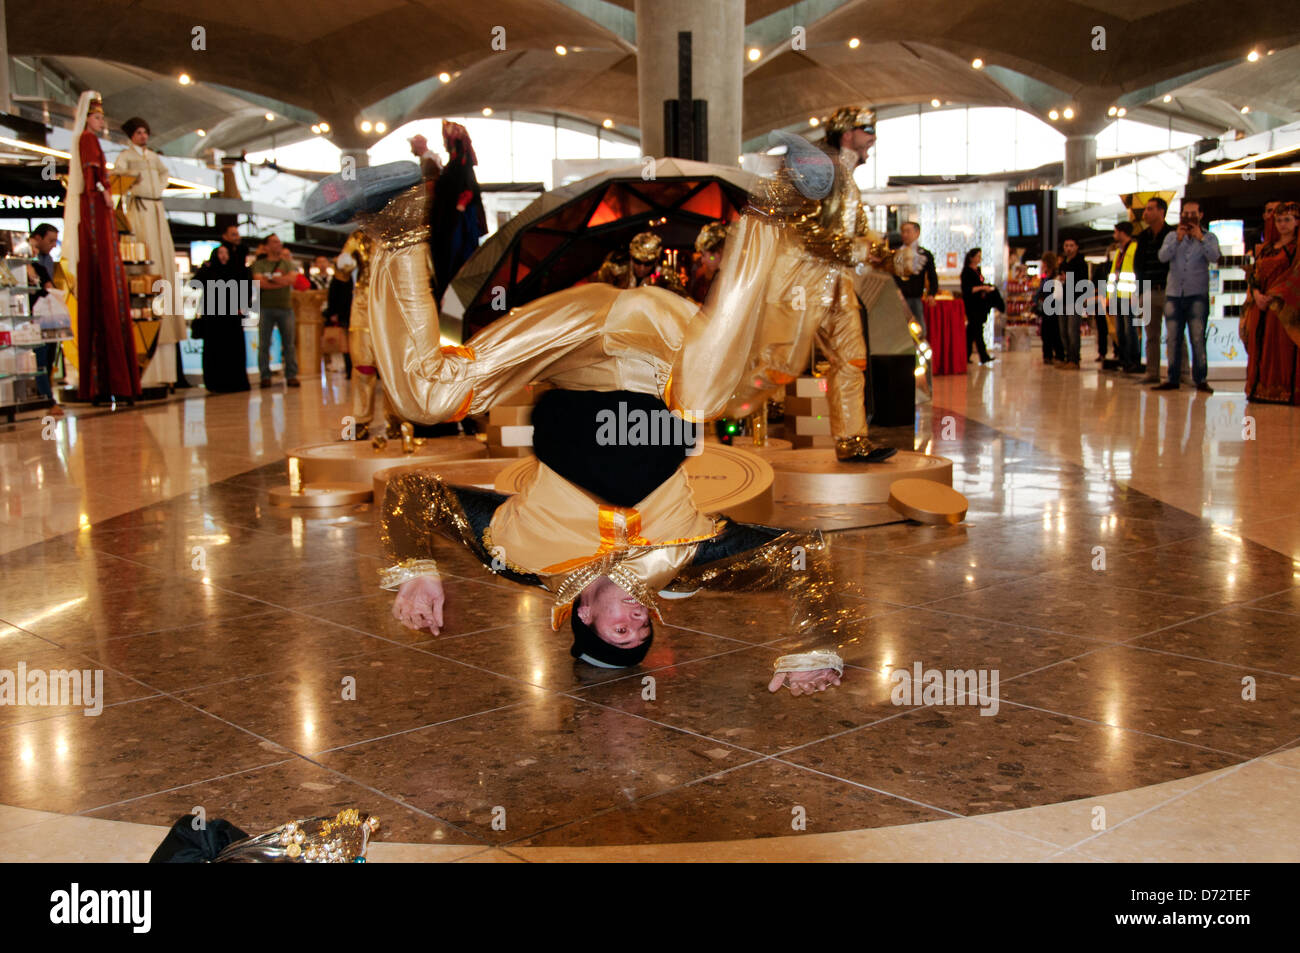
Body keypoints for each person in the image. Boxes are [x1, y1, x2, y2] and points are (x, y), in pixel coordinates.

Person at [360, 182, 850, 694]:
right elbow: (807, 555)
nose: (639, 619)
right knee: (724, 392)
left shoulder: (517, 551)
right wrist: (819, 642)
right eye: (644, 628)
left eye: (621, 629)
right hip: (666, 352)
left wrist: (412, 568)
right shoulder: (686, 561)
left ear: (584, 612)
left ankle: (397, 226)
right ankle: (768, 211)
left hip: (567, 343)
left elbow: (411, 494)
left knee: (426, 399)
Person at [63, 91, 140, 404]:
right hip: (97, 205)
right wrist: (104, 193)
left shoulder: (88, 140)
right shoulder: (87, 140)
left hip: (98, 208)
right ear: (88, 117)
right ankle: (115, 382)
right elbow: (92, 173)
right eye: (96, 117)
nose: (100, 122)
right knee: (105, 283)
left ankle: (110, 382)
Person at [114, 116, 187, 389]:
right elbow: (119, 180)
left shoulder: (153, 157)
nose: (144, 136)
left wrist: (157, 186)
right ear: (131, 135)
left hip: (155, 208)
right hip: (140, 208)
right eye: (139, 132)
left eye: (146, 132)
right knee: (145, 252)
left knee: (162, 257)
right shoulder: (125, 157)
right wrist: (134, 185)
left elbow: (165, 175)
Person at [1153, 199, 1220, 393]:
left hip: (1197, 295)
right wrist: (1178, 239)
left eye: (1193, 214)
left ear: (1200, 215)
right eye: (1186, 214)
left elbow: (1215, 257)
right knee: (1173, 338)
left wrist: (1200, 238)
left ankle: (1200, 379)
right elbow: (1162, 257)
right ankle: (1173, 378)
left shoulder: (1209, 237)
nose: (1189, 218)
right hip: (1174, 294)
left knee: (1197, 337)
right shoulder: (1172, 236)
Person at [1241, 201, 1300, 404]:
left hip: (1283, 308)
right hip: (1261, 306)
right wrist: (1256, 293)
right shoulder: (1266, 249)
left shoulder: (1296, 249)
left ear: (1296, 222)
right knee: (1260, 346)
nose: (1282, 224)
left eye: (1287, 220)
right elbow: (1255, 274)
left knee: (1281, 350)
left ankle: (1283, 391)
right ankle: (1259, 389)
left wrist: (1275, 295)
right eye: (1279, 220)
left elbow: (1295, 277)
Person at [429, 120, 487, 306]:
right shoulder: (456, 164)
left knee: (455, 261)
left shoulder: (460, 165)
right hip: (452, 223)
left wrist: (459, 207)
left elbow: (468, 192)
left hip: (456, 224)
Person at [195, 244, 251, 393]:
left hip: (232, 317)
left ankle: (235, 382)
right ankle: (215, 382)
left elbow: (246, 288)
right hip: (213, 318)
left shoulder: (236, 270)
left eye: (226, 252)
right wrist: (204, 267)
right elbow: (196, 283)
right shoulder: (209, 270)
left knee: (233, 349)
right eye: (220, 253)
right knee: (215, 349)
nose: (223, 255)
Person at [251, 234, 300, 388]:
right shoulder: (259, 264)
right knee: (264, 344)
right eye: (274, 242)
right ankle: (265, 376)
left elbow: (292, 280)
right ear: (266, 246)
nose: (278, 244)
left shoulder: (288, 264)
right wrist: (280, 281)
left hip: (286, 308)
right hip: (265, 308)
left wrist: (270, 279)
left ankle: (291, 375)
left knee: (289, 344)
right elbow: (259, 283)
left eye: (279, 242)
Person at [1134, 197, 1172, 383]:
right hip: (1148, 292)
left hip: (1168, 291)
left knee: (1174, 334)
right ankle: (1152, 372)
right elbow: (1138, 265)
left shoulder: (1171, 235)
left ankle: (1179, 374)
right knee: (1151, 336)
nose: (1145, 213)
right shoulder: (1143, 237)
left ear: (1161, 211)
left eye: (1150, 209)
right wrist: (1141, 291)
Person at [26, 224, 61, 404]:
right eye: (51, 240)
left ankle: (46, 395)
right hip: (30, 317)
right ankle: (45, 396)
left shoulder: (45, 263)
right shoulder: (29, 264)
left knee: (46, 357)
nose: (54, 244)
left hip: (46, 316)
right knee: (38, 358)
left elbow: (49, 286)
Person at [892, 221, 938, 334]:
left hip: (915, 298)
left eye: (908, 231)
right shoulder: (895, 253)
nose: (905, 235)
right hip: (897, 299)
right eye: (903, 231)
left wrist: (931, 293)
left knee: (918, 329)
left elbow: (932, 276)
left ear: (917, 233)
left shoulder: (925, 254)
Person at [1105, 222, 1140, 372]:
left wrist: (1137, 293)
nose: (1114, 235)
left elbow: (1137, 272)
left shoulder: (1135, 249)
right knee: (1120, 330)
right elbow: (1113, 276)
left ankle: (1134, 360)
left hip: (1129, 296)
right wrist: (1109, 296)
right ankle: (1124, 359)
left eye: (1115, 232)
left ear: (1122, 232)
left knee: (1130, 329)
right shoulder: (1120, 252)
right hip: (1118, 296)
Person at [960, 247, 1003, 364]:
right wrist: (982, 288)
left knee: (971, 331)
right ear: (971, 257)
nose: (979, 258)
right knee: (977, 329)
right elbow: (967, 289)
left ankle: (966, 355)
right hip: (972, 303)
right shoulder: (967, 272)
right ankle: (983, 355)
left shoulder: (977, 270)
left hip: (980, 303)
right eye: (978, 256)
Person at [1056, 237, 1089, 369]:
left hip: (1075, 300)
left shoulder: (1081, 263)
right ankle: (1067, 357)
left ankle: (1074, 359)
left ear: (1076, 247)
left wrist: (1068, 278)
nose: (1068, 248)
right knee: (1063, 331)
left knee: (1072, 330)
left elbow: (1083, 282)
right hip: (1062, 300)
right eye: (1066, 245)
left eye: (1071, 245)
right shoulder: (1063, 263)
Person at [323, 251, 355, 378]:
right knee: (346, 343)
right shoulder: (337, 278)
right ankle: (349, 369)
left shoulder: (355, 276)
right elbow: (333, 297)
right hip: (344, 313)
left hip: (355, 312)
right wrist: (333, 313)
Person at [1032, 252, 1063, 365]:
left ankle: (1056, 355)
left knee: (1053, 332)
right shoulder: (1046, 276)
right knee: (1046, 332)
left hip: (1053, 307)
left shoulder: (1055, 276)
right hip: (1046, 307)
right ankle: (1048, 355)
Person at [688, 221, 727, 302]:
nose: (702, 260)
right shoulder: (714, 276)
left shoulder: (728, 279)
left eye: (704, 255)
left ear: (717, 253)